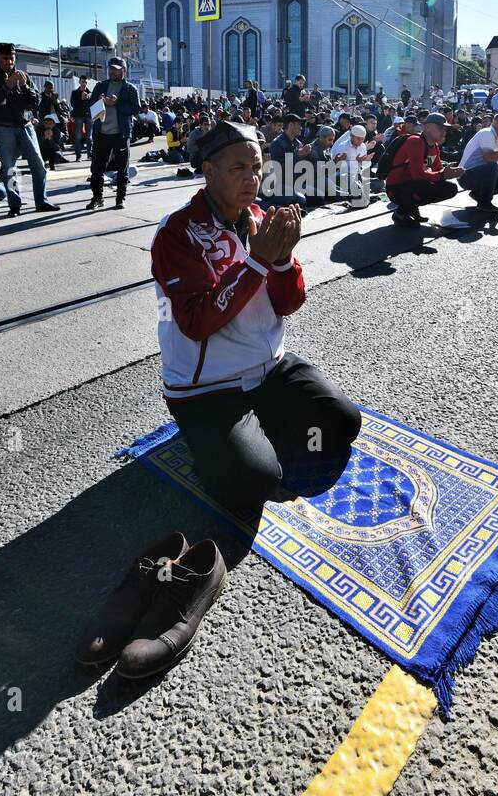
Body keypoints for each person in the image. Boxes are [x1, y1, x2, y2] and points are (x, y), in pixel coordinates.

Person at [150, 119, 361, 509]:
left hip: (269, 369)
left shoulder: (260, 218)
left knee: (344, 423)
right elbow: (196, 323)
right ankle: (222, 446)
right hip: (207, 388)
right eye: (239, 169)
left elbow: (289, 304)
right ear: (209, 172)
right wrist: (259, 261)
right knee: (253, 484)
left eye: (257, 168)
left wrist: (281, 263)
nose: (252, 179)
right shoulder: (177, 233)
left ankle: (255, 427)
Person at [0, 43, 60, 218]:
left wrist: (24, 87)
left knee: (39, 165)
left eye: (12, 58)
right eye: (5, 58)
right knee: (9, 169)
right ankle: (14, 205)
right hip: (4, 128)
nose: (9, 62)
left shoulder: (23, 76)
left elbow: (35, 102)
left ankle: (42, 201)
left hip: (26, 126)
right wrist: (6, 86)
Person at [385, 111, 465, 227]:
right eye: (440, 128)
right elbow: (418, 175)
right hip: (396, 189)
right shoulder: (415, 141)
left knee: (450, 188)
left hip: (411, 185)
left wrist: (450, 172)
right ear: (427, 127)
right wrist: (443, 174)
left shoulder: (434, 146)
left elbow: (438, 171)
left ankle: (412, 208)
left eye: (445, 128)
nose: (444, 132)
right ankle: (400, 213)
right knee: (425, 186)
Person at [87, 57, 140, 210]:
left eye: (117, 69)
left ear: (124, 70)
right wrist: (100, 102)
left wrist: (117, 105)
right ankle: (97, 197)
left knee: (122, 168)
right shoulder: (100, 86)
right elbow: (90, 107)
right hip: (101, 133)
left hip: (121, 134)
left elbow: (135, 109)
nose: (113, 71)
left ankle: (120, 199)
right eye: (111, 68)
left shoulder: (130, 89)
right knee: (97, 169)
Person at [459, 111, 498, 217]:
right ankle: (485, 203)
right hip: (465, 176)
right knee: (492, 167)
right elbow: (489, 158)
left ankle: (478, 195)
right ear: (495, 122)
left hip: (480, 175)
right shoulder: (487, 133)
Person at [71, 75, 93, 161]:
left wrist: (88, 98)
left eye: (86, 82)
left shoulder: (90, 93)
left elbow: (92, 105)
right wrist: (81, 98)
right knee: (78, 136)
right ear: (79, 82)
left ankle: (89, 155)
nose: (84, 84)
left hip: (88, 116)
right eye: (83, 82)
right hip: (78, 116)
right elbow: (73, 104)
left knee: (89, 136)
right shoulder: (74, 93)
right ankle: (78, 155)